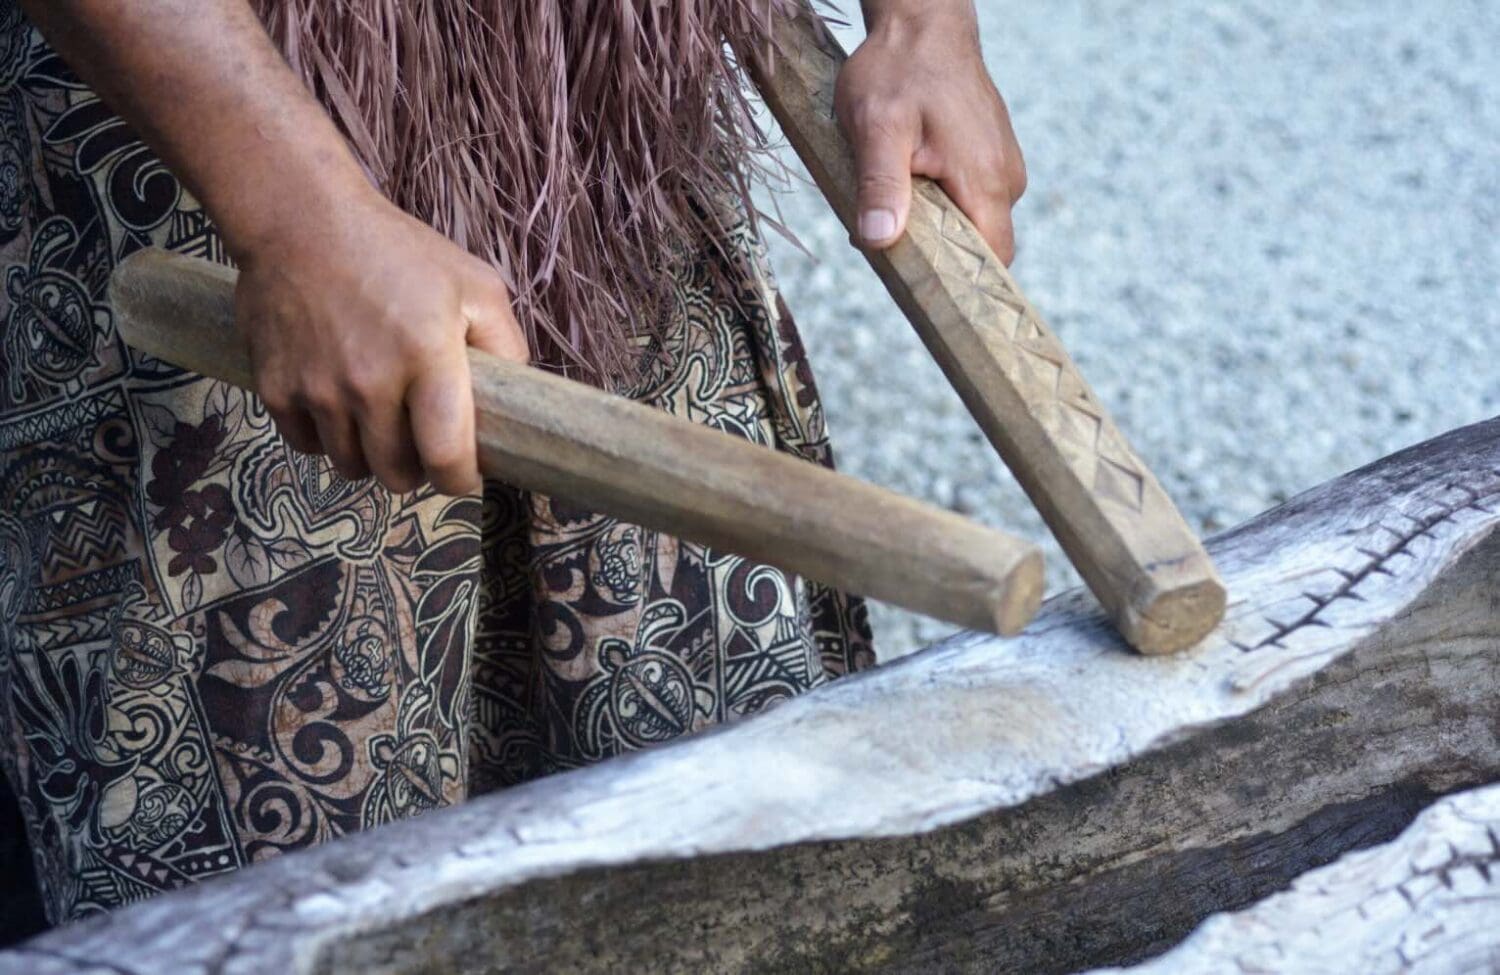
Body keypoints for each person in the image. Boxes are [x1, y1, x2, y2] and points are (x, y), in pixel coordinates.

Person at [0, 0, 1027, 924]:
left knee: (727, 800)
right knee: (283, 892)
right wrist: (293, 211)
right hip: (211, 162)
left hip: (613, 138)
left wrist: (927, 25)